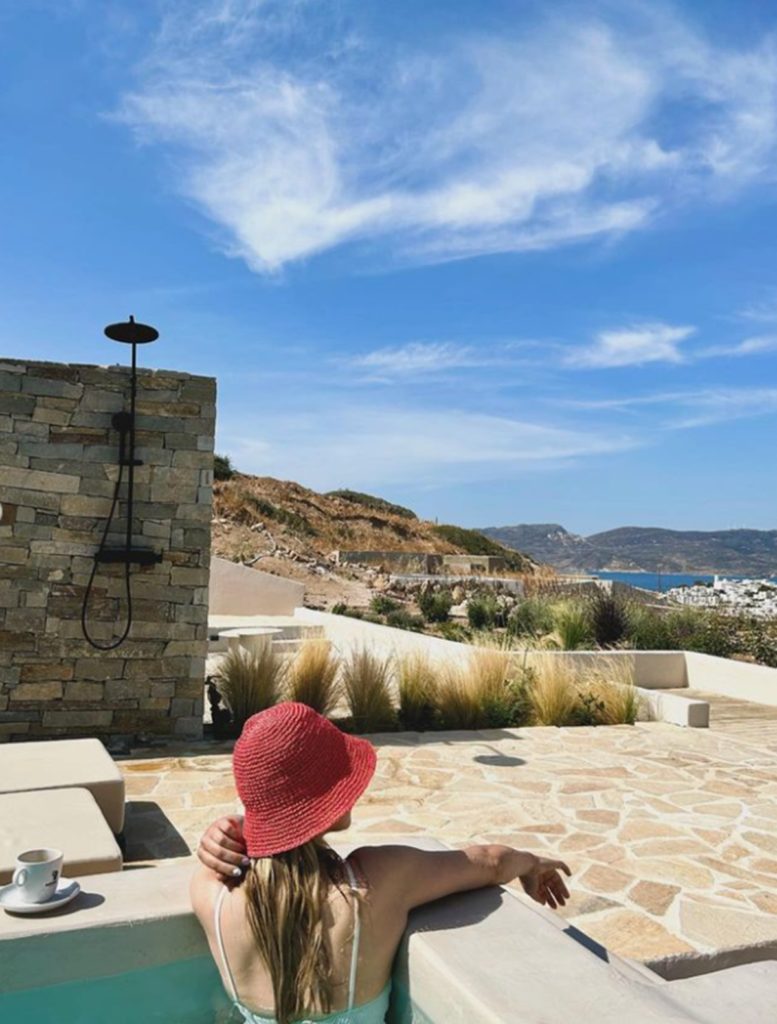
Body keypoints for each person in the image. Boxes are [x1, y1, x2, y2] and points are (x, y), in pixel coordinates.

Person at [192, 702, 571, 1024]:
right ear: (319, 800)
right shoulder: (376, 881)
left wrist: (236, 828)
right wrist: (532, 863)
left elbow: (226, 857)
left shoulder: (212, 897)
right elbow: (490, 862)